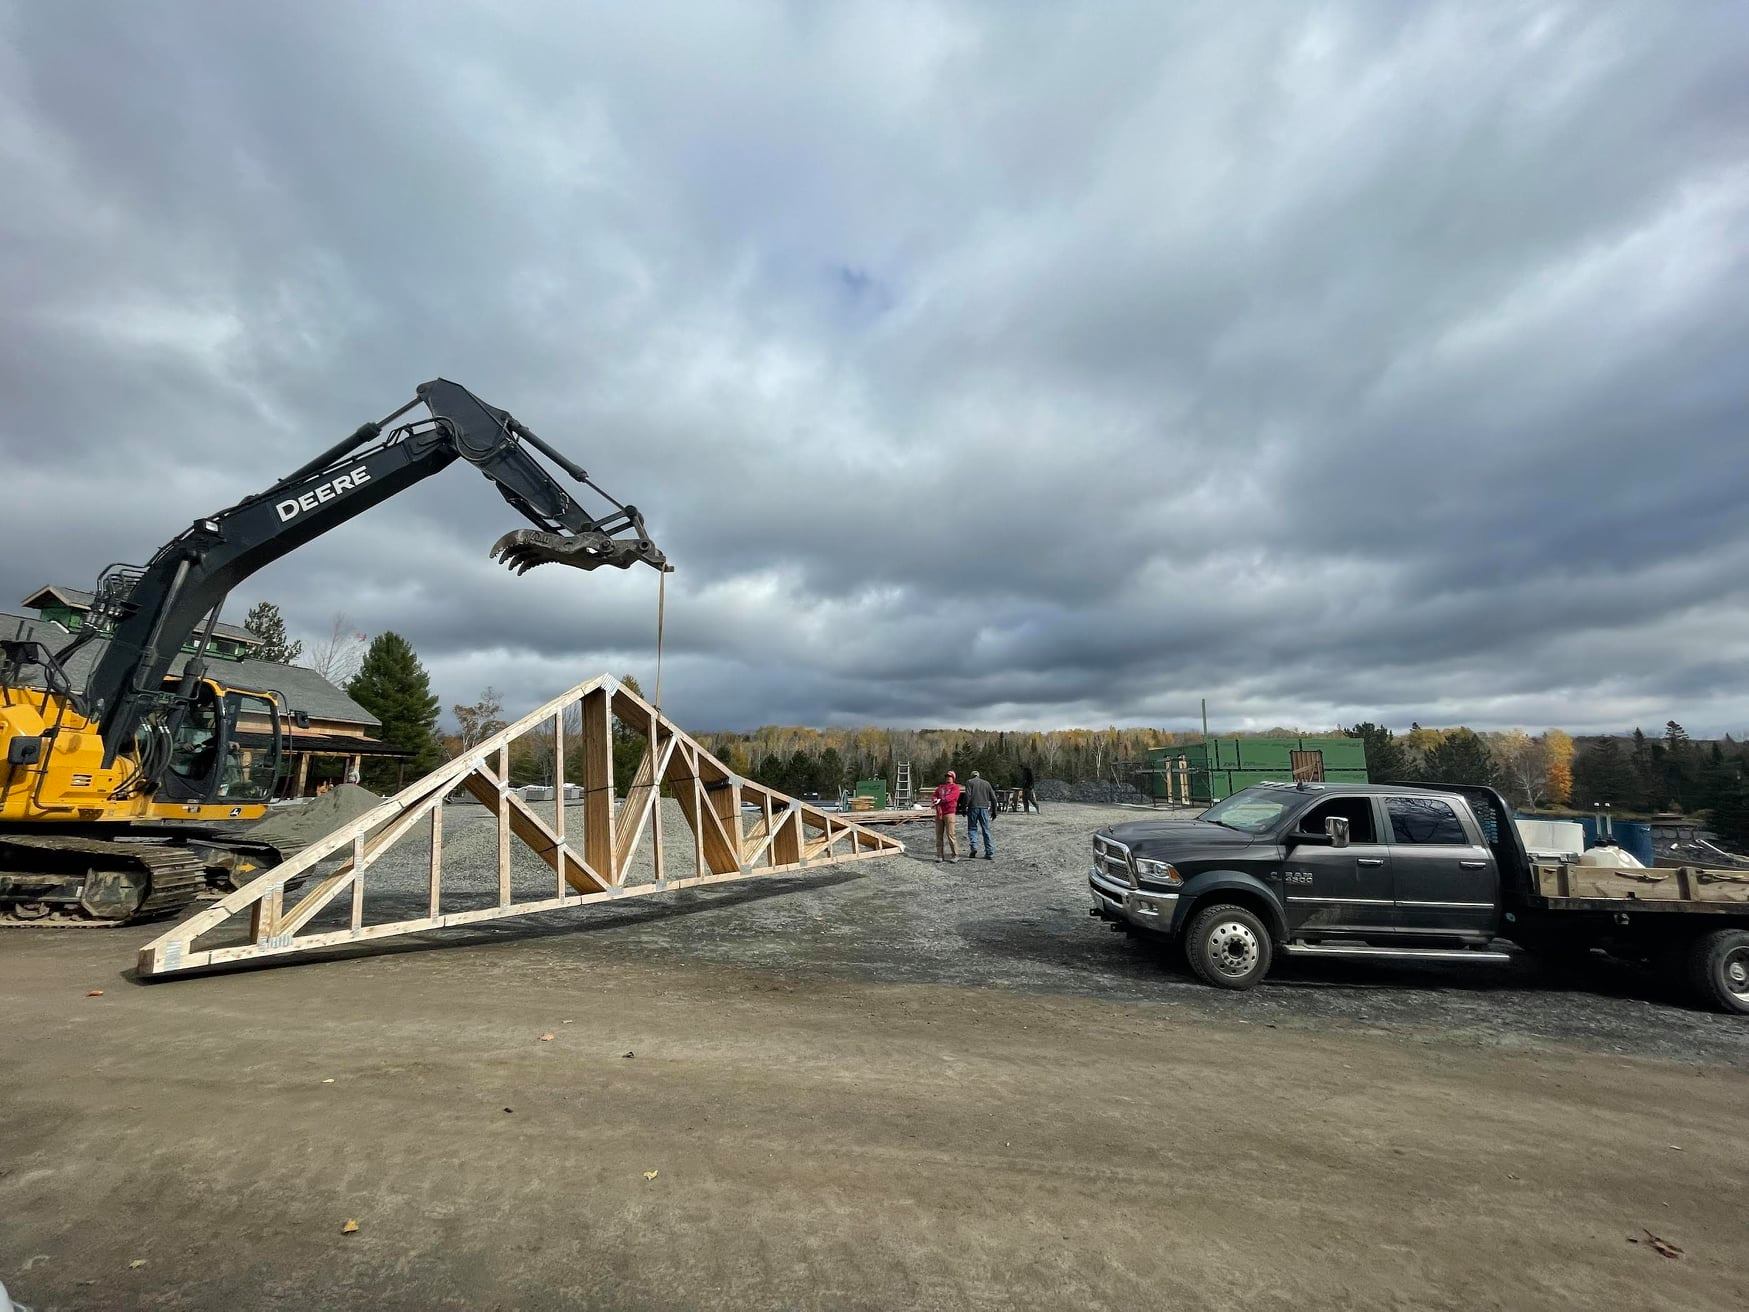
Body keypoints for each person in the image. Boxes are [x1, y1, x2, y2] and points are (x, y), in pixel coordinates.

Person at [931, 771, 963, 863]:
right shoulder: (940, 787)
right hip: (939, 813)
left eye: (950, 776)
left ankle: (955, 855)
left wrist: (941, 800)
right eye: (947, 776)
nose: (948, 778)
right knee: (939, 835)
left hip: (949, 813)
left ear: (953, 778)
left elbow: (952, 797)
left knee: (950, 835)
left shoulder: (955, 787)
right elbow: (934, 795)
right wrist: (935, 800)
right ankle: (939, 855)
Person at [964, 770, 997, 859]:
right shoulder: (986, 783)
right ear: (979, 775)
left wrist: (964, 808)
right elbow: (994, 798)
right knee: (986, 830)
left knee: (972, 828)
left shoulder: (969, 782)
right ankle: (989, 852)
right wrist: (994, 811)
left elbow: (968, 796)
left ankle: (974, 847)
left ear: (972, 776)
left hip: (973, 808)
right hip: (984, 809)